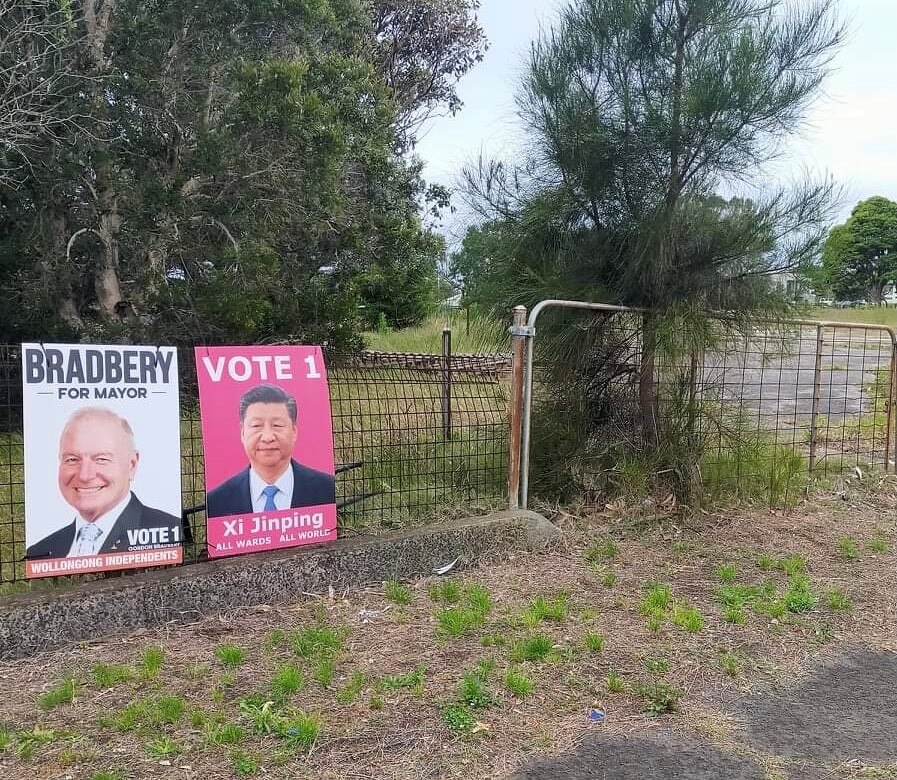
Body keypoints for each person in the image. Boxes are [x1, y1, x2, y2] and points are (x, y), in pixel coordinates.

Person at [26, 407, 182, 560]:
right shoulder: (41, 552)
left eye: (101, 459)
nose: (85, 476)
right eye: (72, 459)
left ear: (131, 465)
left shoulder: (168, 532)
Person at [205, 384, 335, 517]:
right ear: (243, 432)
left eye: (277, 425)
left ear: (294, 431)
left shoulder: (328, 489)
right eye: (256, 425)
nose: (267, 437)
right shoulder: (216, 501)